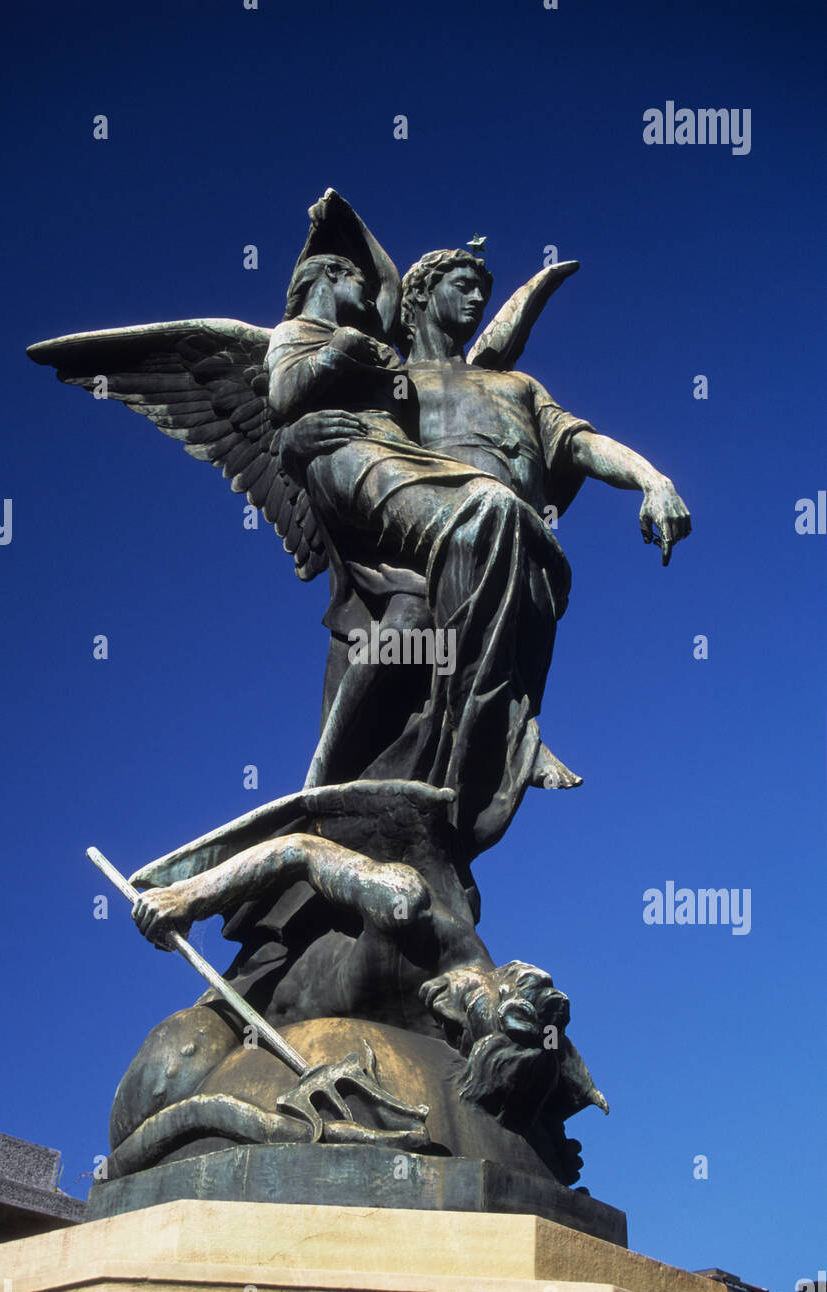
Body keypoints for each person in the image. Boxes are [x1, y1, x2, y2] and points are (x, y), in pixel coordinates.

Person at [271, 248, 691, 859]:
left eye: (482, 293)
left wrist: (652, 479)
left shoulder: (516, 386)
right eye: (462, 286)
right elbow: (310, 418)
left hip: (521, 568)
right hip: (429, 550)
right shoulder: (386, 382)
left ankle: (495, 716)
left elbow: (580, 445)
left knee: (493, 520)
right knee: (474, 535)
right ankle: (485, 725)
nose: (475, 302)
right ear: (418, 296)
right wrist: (289, 442)